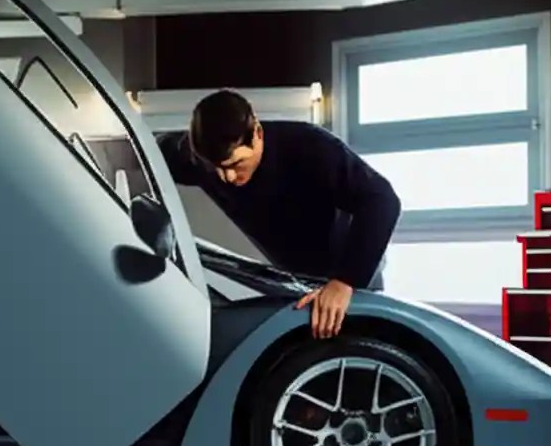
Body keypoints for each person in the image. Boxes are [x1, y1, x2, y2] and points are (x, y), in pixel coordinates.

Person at [158, 90, 401, 339]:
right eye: (216, 168)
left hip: (351, 263)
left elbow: (383, 200)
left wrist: (344, 282)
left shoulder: (311, 147)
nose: (227, 178)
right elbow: (149, 150)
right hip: (298, 274)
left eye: (235, 165)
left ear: (258, 134)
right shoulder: (199, 158)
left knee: (365, 340)